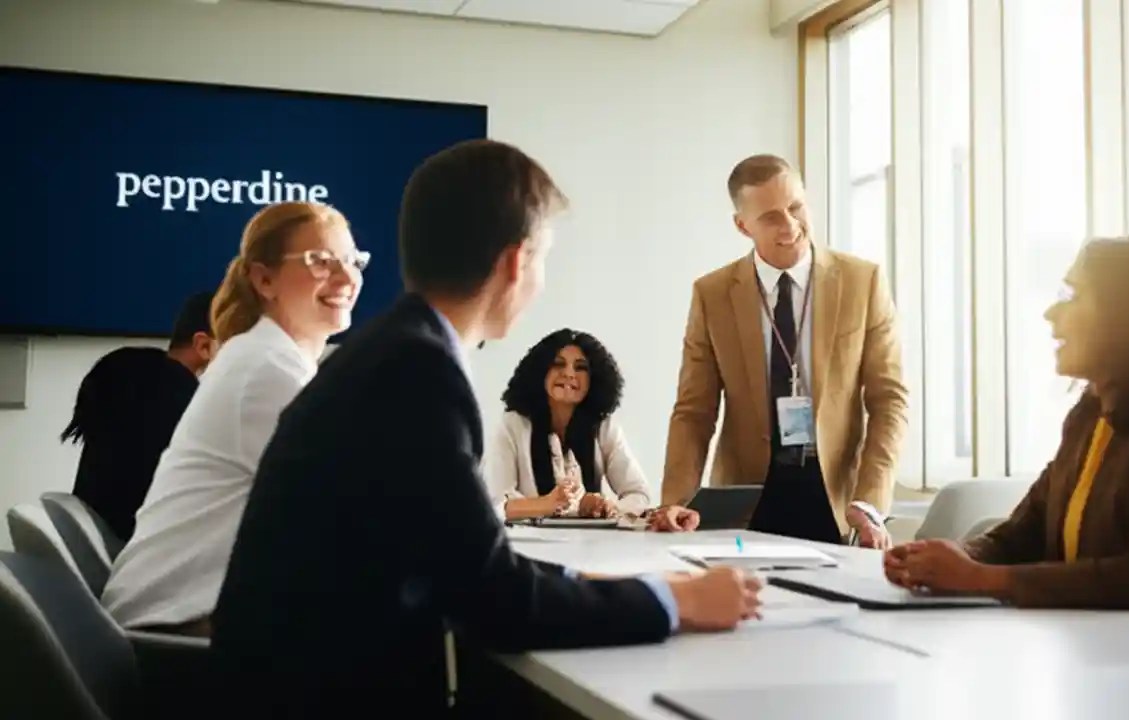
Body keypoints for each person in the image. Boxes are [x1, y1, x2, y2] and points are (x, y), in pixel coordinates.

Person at [209, 139, 763, 717]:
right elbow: (497, 601)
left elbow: (466, 557)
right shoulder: (417, 370)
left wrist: (590, 579)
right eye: (544, 259)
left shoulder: (395, 350)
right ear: (516, 262)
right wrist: (673, 600)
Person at [885, 237, 1129, 611]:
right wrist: (943, 560)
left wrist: (979, 578)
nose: (1050, 313)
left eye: (1072, 295)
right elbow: (1023, 535)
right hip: (1103, 647)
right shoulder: (1091, 413)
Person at [100, 202, 365, 633]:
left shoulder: (263, 356)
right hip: (176, 636)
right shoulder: (266, 371)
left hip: (179, 616)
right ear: (264, 279)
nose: (348, 276)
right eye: (322, 261)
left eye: (353, 261)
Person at [657, 154, 908, 546]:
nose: (790, 225)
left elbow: (889, 401)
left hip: (838, 501)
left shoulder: (864, 282)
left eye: (795, 207)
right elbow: (694, 412)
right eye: (771, 216)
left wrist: (871, 501)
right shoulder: (712, 295)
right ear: (742, 225)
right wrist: (675, 501)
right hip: (744, 505)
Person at [61, 290, 215, 542]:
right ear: (203, 345)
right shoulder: (180, 400)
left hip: (104, 545)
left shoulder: (131, 376)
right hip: (139, 552)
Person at [485, 328, 652, 520]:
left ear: (594, 379)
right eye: (558, 364)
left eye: (580, 368)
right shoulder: (512, 425)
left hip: (591, 545)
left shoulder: (603, 427)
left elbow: (639, 494)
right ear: (540, 372)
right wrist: (547, 505)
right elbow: (494, 504)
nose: (569, 374)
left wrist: (608, 507)